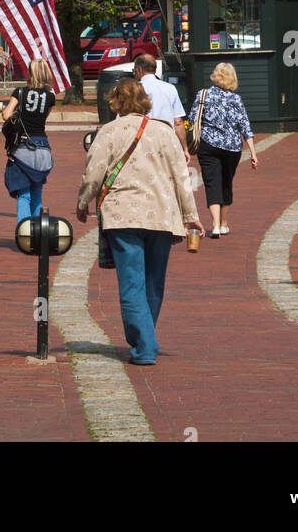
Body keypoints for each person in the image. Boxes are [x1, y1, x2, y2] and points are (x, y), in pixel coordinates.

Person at [77, 77, 202, 366]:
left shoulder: (108, 132)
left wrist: (83, 202)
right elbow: (182, 177)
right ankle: (145, 337)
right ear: (145, 100)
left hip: (123, 215)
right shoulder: (164, 131)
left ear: (116, 102)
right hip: (162, 213)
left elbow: (93, 172)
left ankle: (145, 344)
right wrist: (190, 217)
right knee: (153, 282)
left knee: (131, 283)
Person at [188, 62, 258, 238]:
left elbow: (191, 119)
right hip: (232, 147)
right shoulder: (236, 99)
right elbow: (245, 127)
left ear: (215, 76)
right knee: (226, 182)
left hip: (208, 145)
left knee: (212, 183)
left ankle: (216, 224)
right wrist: (253, 153)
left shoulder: (203, 95)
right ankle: (224, 223)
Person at [1, 58, 57, 221]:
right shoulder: (50, 98)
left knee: (24, 196)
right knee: (37, 195)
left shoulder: (20, 92)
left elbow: (6, 115)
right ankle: (38, 234)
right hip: (43, 148)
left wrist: (17, 114)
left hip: (24, 147)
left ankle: (24, 233)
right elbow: (42, 119)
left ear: (32, 75)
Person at [133, 53, 189, 155]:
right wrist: (185, 148)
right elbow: (178, 121)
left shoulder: (133, 90)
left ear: (139, 70)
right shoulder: (170, 88)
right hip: (167, 141)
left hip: (142, 142)